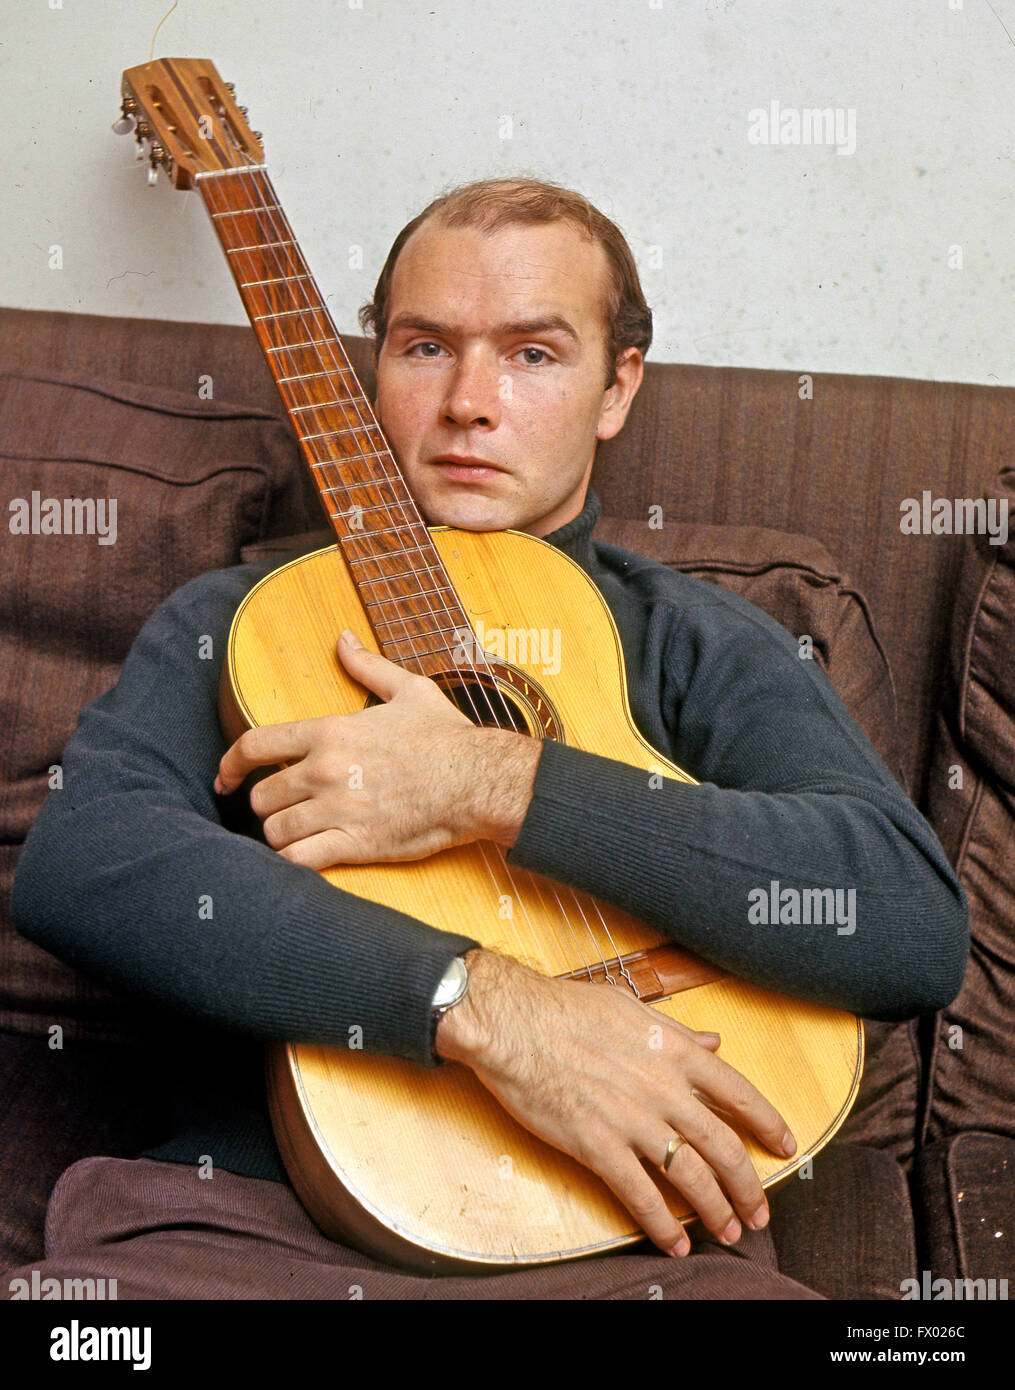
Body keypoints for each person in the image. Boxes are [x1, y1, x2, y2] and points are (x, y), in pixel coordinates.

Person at [4, 178, 967, 1300]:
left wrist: (502, 782)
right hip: (243, 1236)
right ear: (368, 378)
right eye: (423, 348)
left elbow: (902, 921)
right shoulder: (241, 615)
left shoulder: (696, 636)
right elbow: (85, 861)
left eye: (533, 355)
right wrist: (482, 1007)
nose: (468, 400)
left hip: (631, 1251)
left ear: (618, 389)